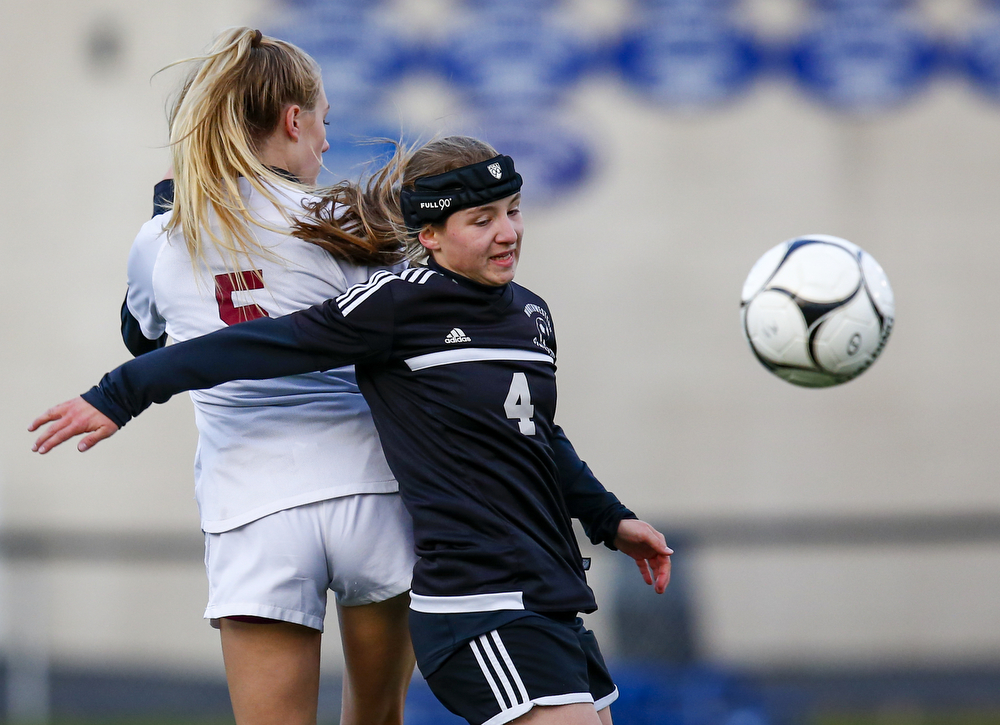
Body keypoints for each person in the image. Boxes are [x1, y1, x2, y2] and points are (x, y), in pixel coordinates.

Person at [31, 136, 673, 725]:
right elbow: (248, 345)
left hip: (551, 595)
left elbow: (538, 434)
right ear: (429, 235)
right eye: (482, 221)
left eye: (513, 210)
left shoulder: (530, 312)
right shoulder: (395, 303)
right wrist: (119, 393)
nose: (508, 233)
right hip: (479, 602)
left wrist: (610, 519)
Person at [108, 27, 420, 725]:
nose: (327, 143)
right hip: (370, 488)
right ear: (292, 120)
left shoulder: (163, 234)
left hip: (251, 504)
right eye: (324, 122)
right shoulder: (346, 220)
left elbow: (142, 335)